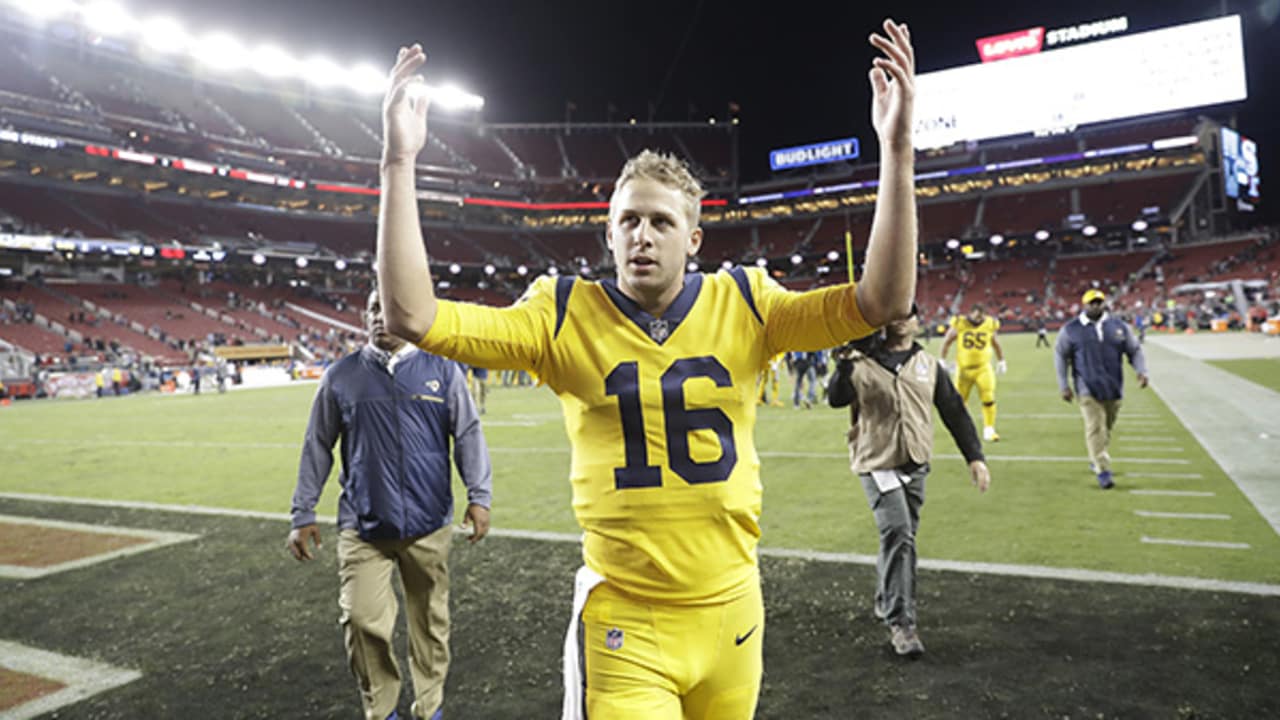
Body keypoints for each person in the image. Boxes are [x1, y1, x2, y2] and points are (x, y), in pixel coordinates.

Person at [376, 20, 917, 719]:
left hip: (734, 614)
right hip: (626, 621)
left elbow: (882, 301)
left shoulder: (748, 302)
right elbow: (412, 316)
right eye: (629, 220)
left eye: (661, 223)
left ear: (694, 239)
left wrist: (896, 149)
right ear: (608, 232)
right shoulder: (561, 315)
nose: (642, 235)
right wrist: (398, 161)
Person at [287, 289, 493, 720]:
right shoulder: (341, 376)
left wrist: (479, 495)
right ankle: (382, 711)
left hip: (429, 521)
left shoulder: (443, 369)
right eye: (373, 309)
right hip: (363, 525)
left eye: (389, 309)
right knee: (361, 619)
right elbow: (317, 444)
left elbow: (468, 434)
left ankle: (430, 708)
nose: (380, 317)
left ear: (408, 314)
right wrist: (303, 512)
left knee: (430, 623)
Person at [828, 303, 989, 658]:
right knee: (899, 533)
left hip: (915, 463)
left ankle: (886, 598)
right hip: (877, 462)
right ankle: (901, 623)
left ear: (918, 322)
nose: (901, 319)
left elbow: (953, 410)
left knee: (902, 538)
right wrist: (843, 362)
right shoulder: (860, 361)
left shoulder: (928, 365)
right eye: (895, 313)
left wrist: (975, 457)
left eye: (908, 314)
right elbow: (835, 399)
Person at [1055, 289, 1148, 489]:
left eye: (1099, 302)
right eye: (1092, 302)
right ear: (1084, 305)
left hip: (1113, 385)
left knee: (1106, 427)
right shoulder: (1071, 329)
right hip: (1086, 386)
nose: (1096, 306)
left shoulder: (1118, 327)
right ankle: (1103, 470)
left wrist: (1141, 371)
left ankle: (1096, 456)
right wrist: (1064, 385)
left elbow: (1134, 350)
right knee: (1095, 427)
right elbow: (1061, 356)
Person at [939, 302, 1006, 442]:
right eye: (976, 317)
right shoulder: (960, 323)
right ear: (970, 313)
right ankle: (963, 430)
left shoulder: (989, 324)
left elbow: (995, 342)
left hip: (983, 368)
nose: (978, 320)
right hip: (963, 370)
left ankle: (989, 430)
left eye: (981, 317)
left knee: (988, 397)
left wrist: (1001, 360)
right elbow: (947, 341)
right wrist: (942, 359)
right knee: (959, 403)